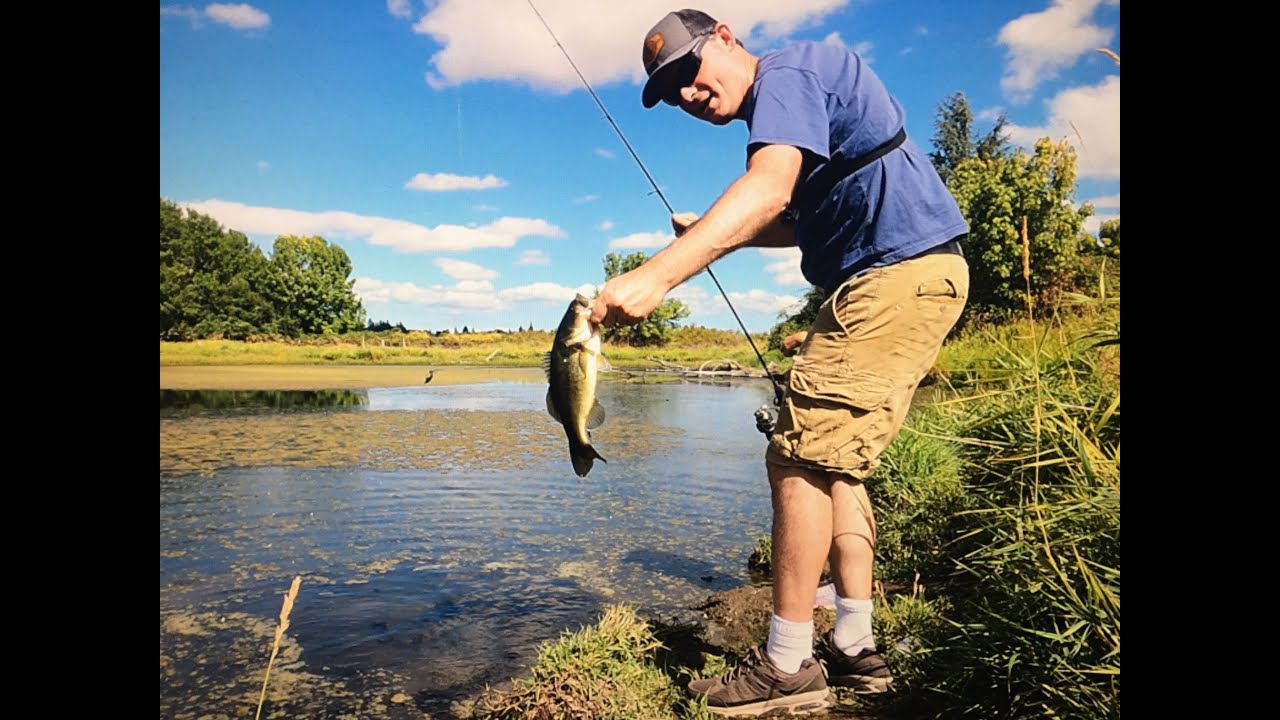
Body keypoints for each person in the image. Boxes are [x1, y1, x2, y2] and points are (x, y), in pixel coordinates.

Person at [590, 8, 970, 716]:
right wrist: (715, 232)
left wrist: (656, 276)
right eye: (673, 94)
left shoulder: (789, 72)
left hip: (894, 277)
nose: (688, 97)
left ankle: (787, 664)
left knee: (795, 460)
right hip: (898, 276)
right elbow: (796, 219)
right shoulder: (795, 105)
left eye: (690, 75)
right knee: (835, 465)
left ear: (728, 39)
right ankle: (855, 647)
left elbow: (768, 189)